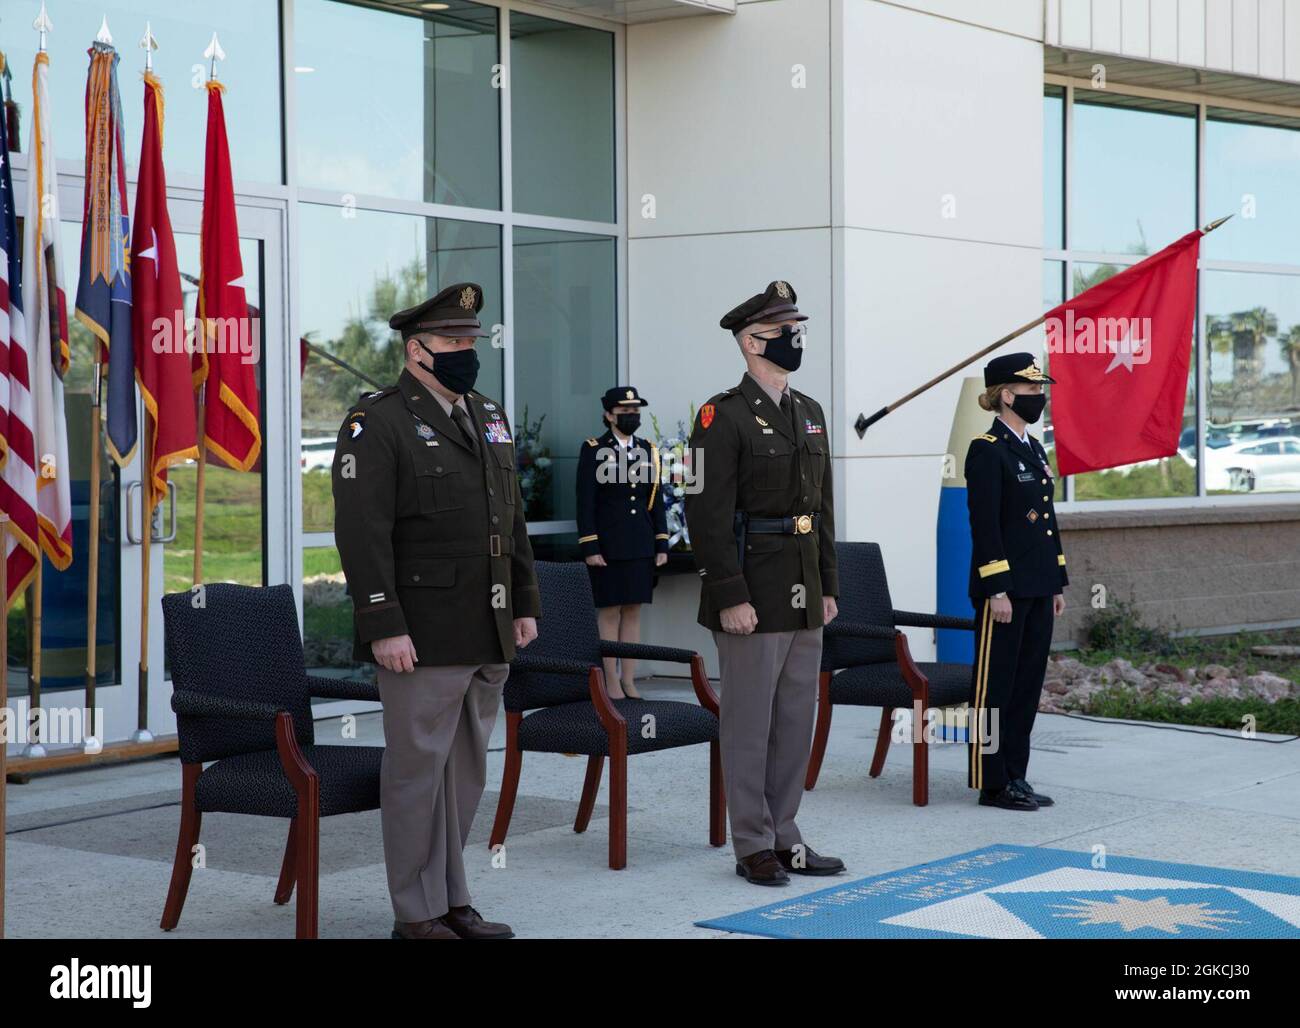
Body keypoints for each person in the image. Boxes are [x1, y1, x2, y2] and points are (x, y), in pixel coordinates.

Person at [331, 282, 539, 939]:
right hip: (420, 632)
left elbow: (513, 520)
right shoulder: (378, 420)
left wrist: (525, 601)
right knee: (418, 775)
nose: (466, 351)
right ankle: (414, 912)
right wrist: (383, 622)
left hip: (489, 625)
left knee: (464, 774)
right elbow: (361, 534)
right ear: (416, 349)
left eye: (471, 341)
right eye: (453, 341)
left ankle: (453, 900)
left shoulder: (487, 414)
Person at [684, 280, 845, 886]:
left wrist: (828, 585)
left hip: (804, 590)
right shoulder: (719, 416)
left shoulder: (810, 411)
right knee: (749, 723)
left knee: (795, 720)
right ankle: (751, 842)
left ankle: (787, 835)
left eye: (797, 330)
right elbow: (704, 513)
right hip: (751, 591)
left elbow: (820, 510)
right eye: (784, 332)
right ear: (752, 341)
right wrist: (730, 594)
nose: (795, 340)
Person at [964, 352, 1068, 812]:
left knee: (1027, 687)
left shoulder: (1033, 447)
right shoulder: (986, 449)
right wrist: (997, 588)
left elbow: (1045, 521)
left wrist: (1056, 581)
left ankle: (1016, 776)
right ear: (1006, 396)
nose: (1039, 398)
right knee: (996, 687)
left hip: (1037, 585)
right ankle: (992, 782)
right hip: (1005, 591)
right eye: (1030, 392)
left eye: (1039, 391)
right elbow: (984, 526)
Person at [576, 386, 670, 699]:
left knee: (633, 611)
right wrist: (590, 546)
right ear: (608, 415)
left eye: (635, 412)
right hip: (609, 544)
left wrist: (661, 542)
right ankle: (610, 680)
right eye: (624, 412)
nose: (631, 417)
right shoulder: (592, 449)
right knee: (609, 612)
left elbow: (655, 501)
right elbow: (585, 502)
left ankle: (629, 679)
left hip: (640, 542)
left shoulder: (648, 449)